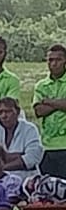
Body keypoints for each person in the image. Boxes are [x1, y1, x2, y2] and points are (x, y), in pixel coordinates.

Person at [0, 97, 42, 182]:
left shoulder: (30, 129)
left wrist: (1, 166)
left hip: (27, 180)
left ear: (17, 112)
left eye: (8, 111)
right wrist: (20, 155)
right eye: (0, 112)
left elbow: (32, 158)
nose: (4, 116)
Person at [33, 44, 66, 179]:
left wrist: (49, 101)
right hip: (47, 146)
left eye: (58, 60)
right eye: (50, 60)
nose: (54, 63)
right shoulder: (41, 85)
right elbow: (38, 111)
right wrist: (60, 103)